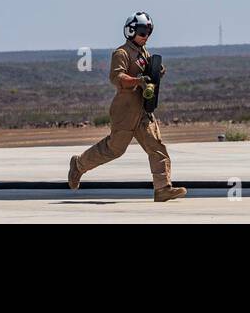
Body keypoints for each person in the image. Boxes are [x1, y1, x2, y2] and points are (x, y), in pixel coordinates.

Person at [67, 12, 187, 202]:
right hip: (125, 111)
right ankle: (79, 164)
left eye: (149, 31)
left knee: (156, 146)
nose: (145, 35)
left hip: (143, 111)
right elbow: (117, 77)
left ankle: (163, 189)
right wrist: (137, 81)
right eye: (141, 31)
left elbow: (147, 77)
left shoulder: (144, 54)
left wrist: (156, 74)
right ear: (131, 31)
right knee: (114, 149)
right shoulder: (121, 53)